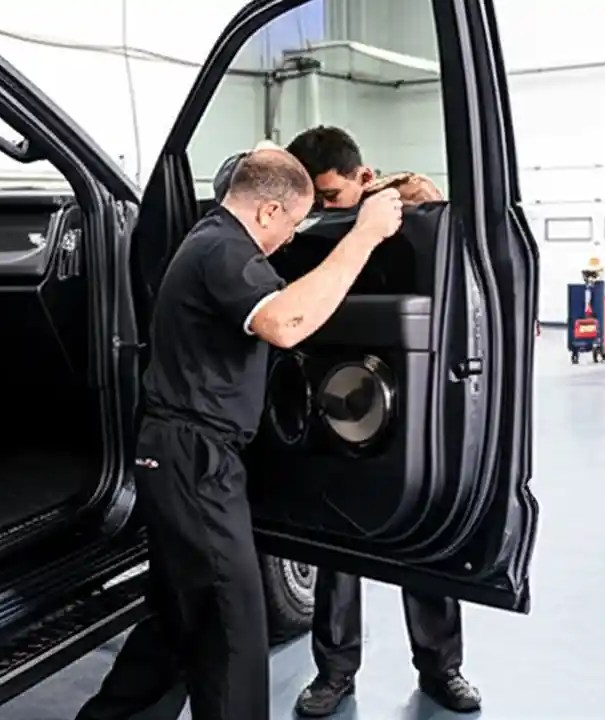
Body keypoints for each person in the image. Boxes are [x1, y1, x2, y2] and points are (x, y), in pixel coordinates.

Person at [75, 147, 404, 720]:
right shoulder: (225, 249)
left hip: (178, 454)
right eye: (293, 225)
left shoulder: (209, 241)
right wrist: (364, 236)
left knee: (180, 618)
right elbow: (284, 321)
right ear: (269, 211)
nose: (288, 240)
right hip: (194, 460)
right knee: (233, 632)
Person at [283, 125, 482, 717]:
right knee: (336, 538)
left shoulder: (418, 210)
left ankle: (443, 668)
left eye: (331, 196)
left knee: (421, 537)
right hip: (338, 394)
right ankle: (334, 673)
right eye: (311, 200)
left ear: (365, 178)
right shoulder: (306, 227)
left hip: (410, 399)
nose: (321, 211)